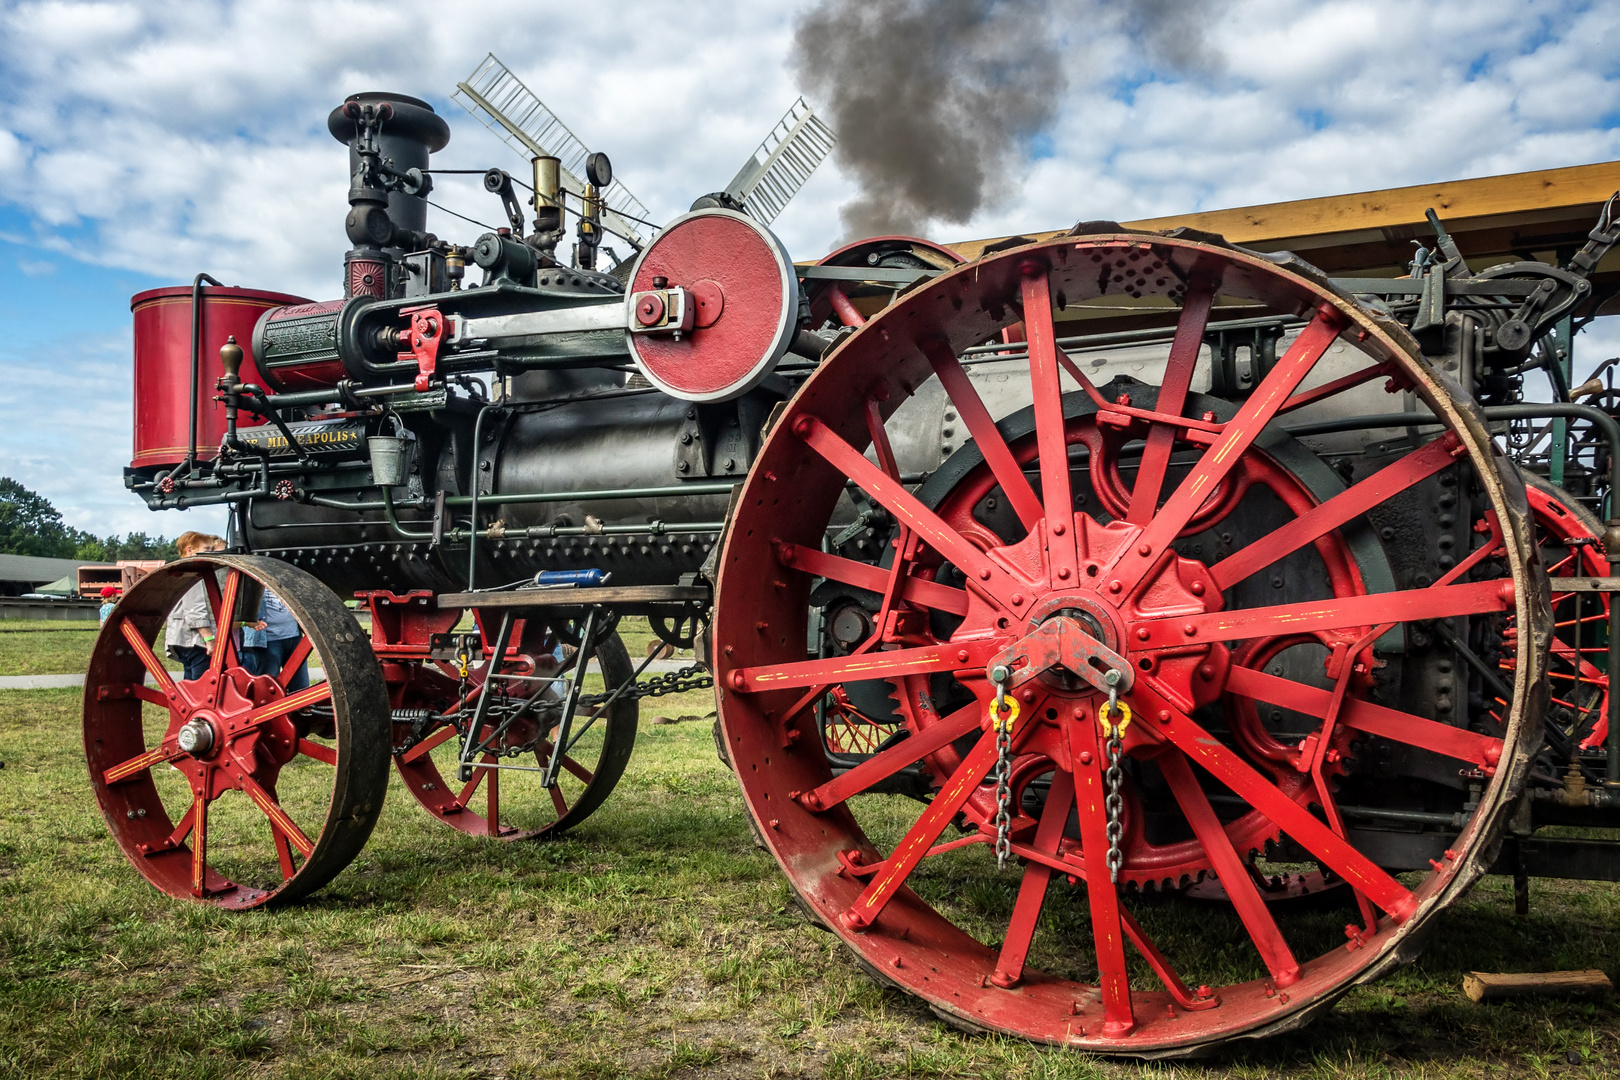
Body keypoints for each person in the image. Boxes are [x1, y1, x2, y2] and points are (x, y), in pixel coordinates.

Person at [164, 531, 226, 681]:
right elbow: (195, 610)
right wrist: (209, 640)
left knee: (191, 684)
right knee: (201, 687)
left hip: (183, 638)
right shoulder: (192, 573)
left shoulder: (180, 570)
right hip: (194, 640)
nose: (211, 553)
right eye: (207, 549)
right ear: (190, 550)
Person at [258, 589, 309, 691]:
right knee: (269, 690)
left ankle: (300, 707)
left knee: (301, 689)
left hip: (294, 636)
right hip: (269, 640)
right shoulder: (257, 577)